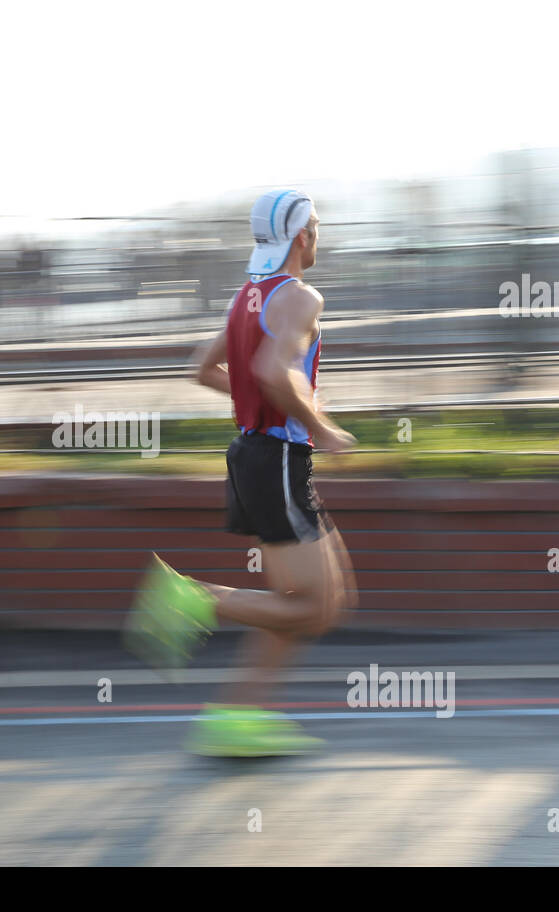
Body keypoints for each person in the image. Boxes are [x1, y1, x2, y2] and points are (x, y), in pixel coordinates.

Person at [124, 188, 358, 756]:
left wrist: (259, 395)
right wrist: (320, 426)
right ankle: (191, 598)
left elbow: (202, 369)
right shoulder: (300, 298)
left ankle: (238, 716)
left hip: (255, 457)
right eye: (317, 226)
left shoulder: (247, 297)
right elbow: (276, 372)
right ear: (302, 236)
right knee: (311, 605)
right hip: (278, 460)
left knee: (320, 601)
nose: (320, 235)